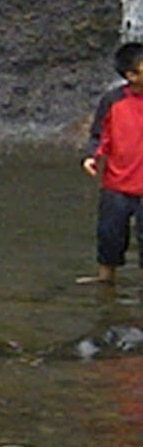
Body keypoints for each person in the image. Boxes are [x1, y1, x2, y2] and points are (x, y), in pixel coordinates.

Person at [83, 42, 143, 284]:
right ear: (131, 75)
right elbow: (99, 135)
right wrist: (90, 157)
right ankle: (105, 283)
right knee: (109, 237)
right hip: (116, 185)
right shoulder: (113, 100)